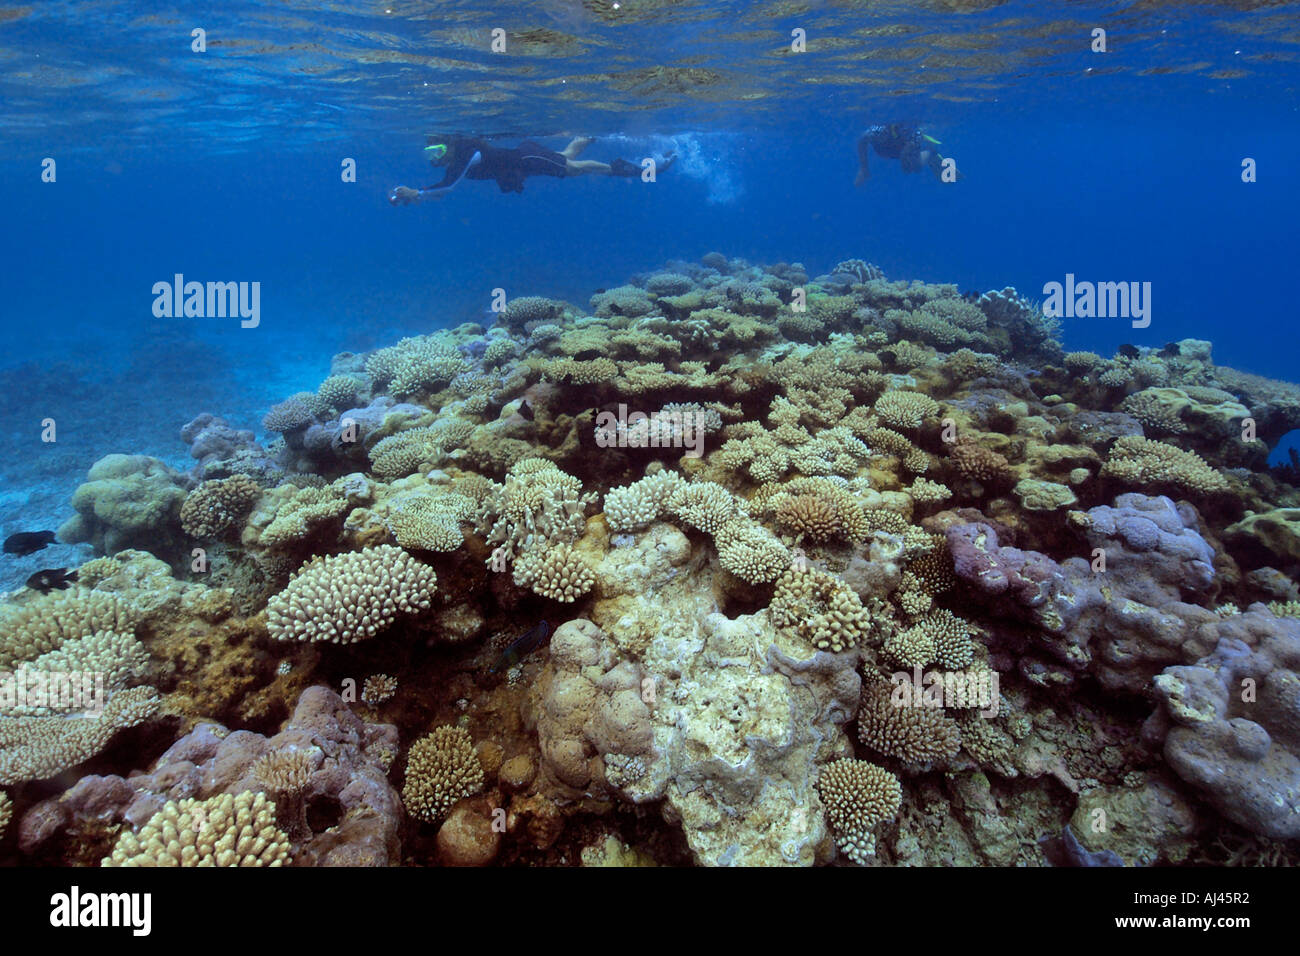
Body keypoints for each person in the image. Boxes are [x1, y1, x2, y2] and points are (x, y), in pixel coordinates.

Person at [389, 135, 675, 203]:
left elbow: (448, 187)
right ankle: (590, 134)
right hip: (525, 161)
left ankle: (626, 170)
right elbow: (446, 181)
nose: (434, 157)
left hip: (527, 161)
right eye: (429, 152)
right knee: (564, 157)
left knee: (573, 168)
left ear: (450, 145)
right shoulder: (457, 158)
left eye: (438, 150)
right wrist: (420, 192)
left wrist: (416, 193)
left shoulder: (466, 153)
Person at [855, 125, 957, 184]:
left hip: (906, 143)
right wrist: (864, 169)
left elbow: (913, 140)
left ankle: (931, 152)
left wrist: (905, 157)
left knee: (915, 168)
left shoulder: (906, 132)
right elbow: (862, 141)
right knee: (911, 167)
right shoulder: (874, 133)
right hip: (889, 149)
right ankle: (923, 155)